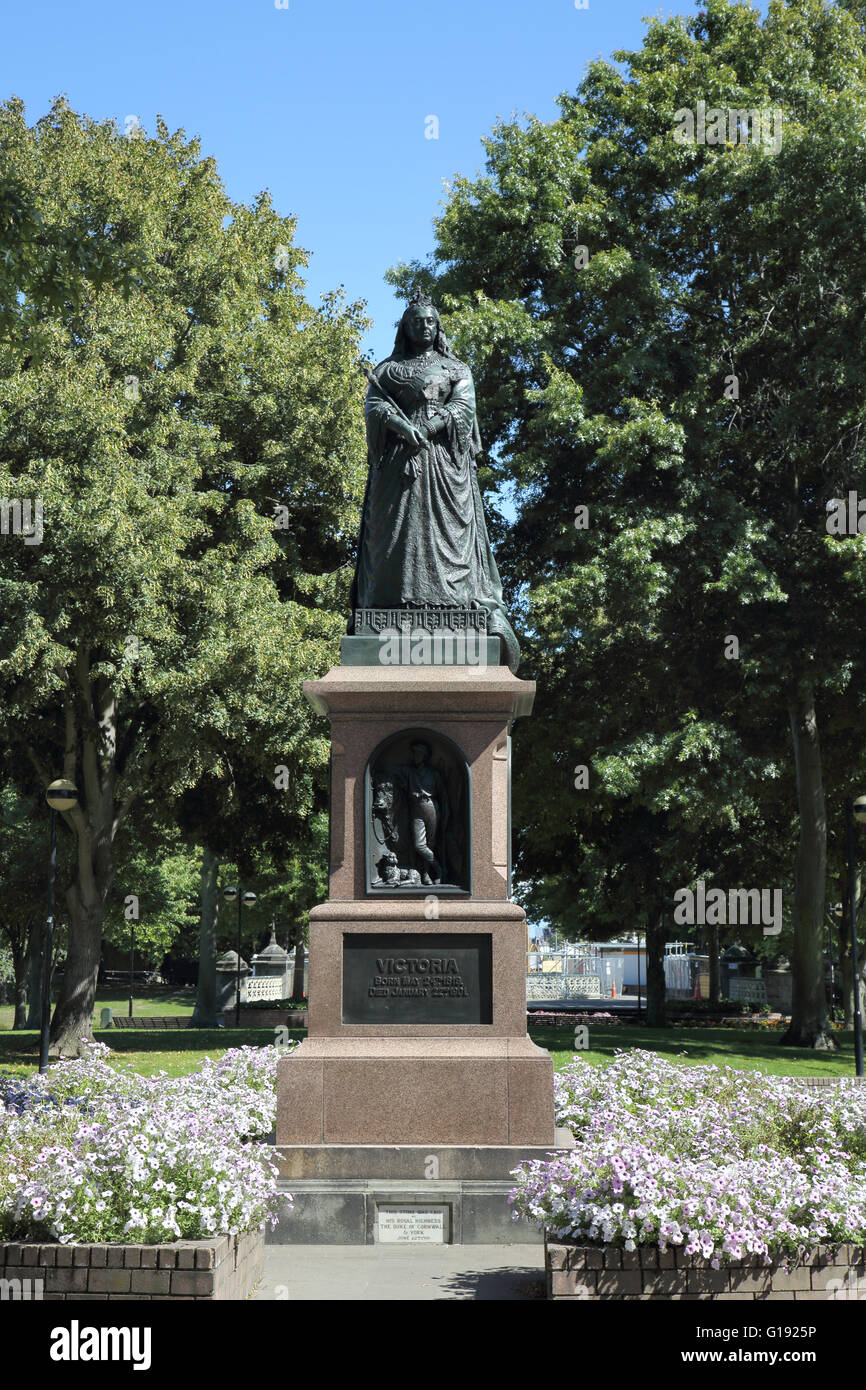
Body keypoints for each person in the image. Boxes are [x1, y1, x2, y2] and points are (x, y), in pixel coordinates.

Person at [350, 292, 520, 671]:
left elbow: (462, 407)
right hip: (398, 465)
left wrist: (428, 427)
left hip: (443, 463)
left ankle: (451, 603)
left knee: (446, 531)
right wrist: (400, 425)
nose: (424, 327)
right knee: (399, 530)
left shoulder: (455, 368)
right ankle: (394, 605)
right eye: (417, 322)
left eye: (429, 321)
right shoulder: (386, 370)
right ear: (406, 327)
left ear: (437, 326)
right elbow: (374, 406)